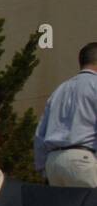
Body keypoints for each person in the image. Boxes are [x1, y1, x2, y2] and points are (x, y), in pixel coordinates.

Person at [33, 42, 97, 188]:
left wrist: (43, 167)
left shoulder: (60, 89)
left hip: (54, 162)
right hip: (83, 159)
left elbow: (40, 134)